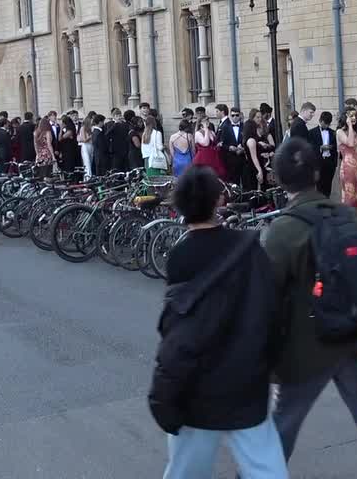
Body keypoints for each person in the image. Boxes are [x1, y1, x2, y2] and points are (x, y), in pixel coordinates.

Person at [262, 138, 357, 479]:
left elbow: (265, 299)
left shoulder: (283, 230)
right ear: (317, 172)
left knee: (283, 427)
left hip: (306, 349)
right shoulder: (348, 216)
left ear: (278, 179)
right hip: (355, 337)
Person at [147, 165, 288, 479]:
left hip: (198, 388)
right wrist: (272, 363)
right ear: (218, 202)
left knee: (185, 470)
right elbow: (272, 310)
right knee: (266, 468)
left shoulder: (180, 257)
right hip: (248, 382)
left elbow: (178, 327)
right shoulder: (249, 247)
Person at [336, 108, 357, 217]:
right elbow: (349, 143)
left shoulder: (356, 131)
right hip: (347, 167)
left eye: (355, 116)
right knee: (350, 196)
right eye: (351, 116)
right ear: (345, 117)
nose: (354, 118)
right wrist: (349, 126)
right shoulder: (340, 132)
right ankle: (348, 222)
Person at [219, 107, 253, 190]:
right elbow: (222, 144)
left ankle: (246, 198)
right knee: (234, 182)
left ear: (240, 115)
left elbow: (249, 140)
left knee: (246, 182)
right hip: (231, 159)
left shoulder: (244, 126)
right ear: (230, 116)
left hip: (243, 159)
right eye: (233, 115)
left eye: (237, 115)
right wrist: (229, 147)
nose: (235, 117)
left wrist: (243, 147)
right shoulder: (225, 127)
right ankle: (235, 199)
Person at [309, 111, 338, 196]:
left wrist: (334, 164)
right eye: (325, 123)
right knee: (319, 187)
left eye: (329, 124)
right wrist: (320, 148)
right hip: (318, 162)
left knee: (328, 186)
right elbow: (310, 147)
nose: (327, 126)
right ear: (320, 121)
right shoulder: (312, 132)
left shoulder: (333, 132)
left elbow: (335, 148)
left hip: (329, 162)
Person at [191, 114, 225, 179]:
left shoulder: (211, 132)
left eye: (207, 120)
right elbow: (206, 143)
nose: (207, 122)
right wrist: (206, 130)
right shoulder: (198, 133)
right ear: (200, 123)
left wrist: (218, 145)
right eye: (204, 121)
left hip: (213, 157)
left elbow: (214, 143)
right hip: (203, 158)